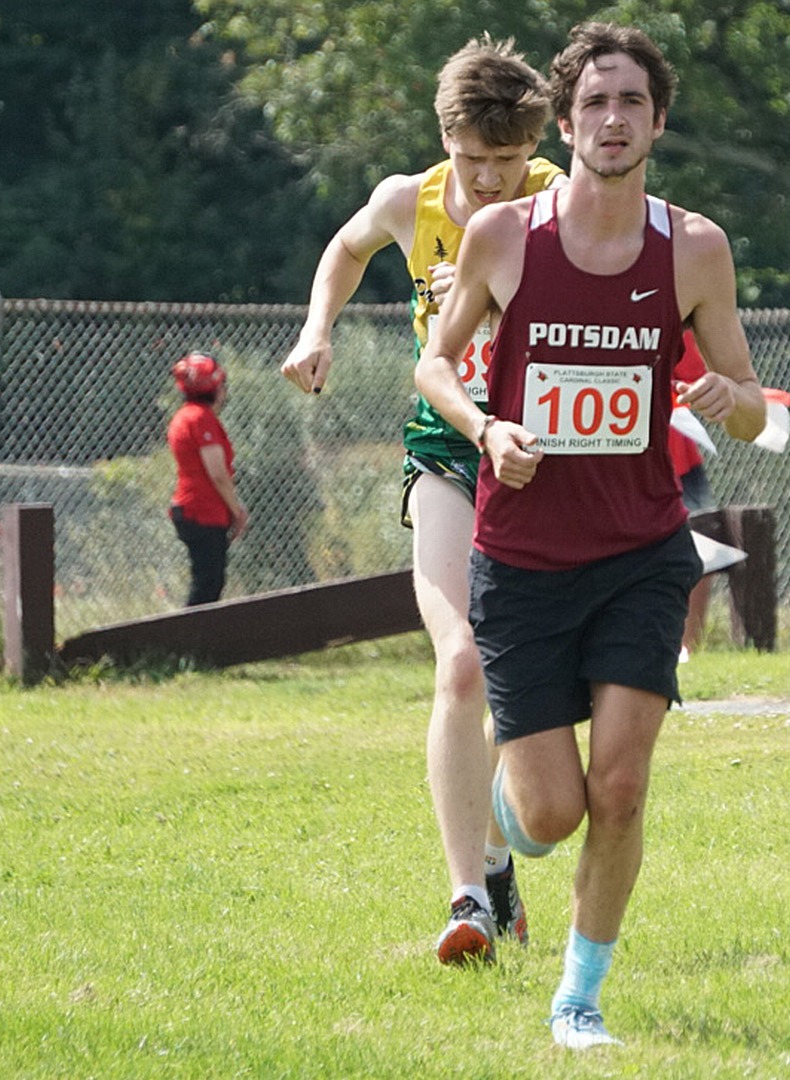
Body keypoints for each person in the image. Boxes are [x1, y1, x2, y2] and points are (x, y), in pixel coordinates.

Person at [413, 21, 767, 1050]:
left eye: (632, 102)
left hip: (641, 553)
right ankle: (501, 835)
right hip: (521, 559)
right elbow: (433, 365)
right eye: (595, 103)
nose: (614, 119)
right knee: (552, 812)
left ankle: (579, 999)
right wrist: (488, 429)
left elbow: (751, 403)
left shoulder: (694, 248)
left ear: (657, 122)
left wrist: (728, 397)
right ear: (564, 127)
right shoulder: (503, 236)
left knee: (620, 785)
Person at [278, 36, 562, 965]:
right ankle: (468, 896)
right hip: (446, 449)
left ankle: (501, 851)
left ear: (534, 149)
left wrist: (494, 292)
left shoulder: (562, 203)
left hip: (540, 458)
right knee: (462, 662)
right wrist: (317, 328)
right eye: (472, 158)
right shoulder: (412, 199)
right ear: (446, 141)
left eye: (506, 160)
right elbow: (346, 246)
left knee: (531, 681)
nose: (488, 178)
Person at [167, 352, 248, 606]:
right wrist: (237, 511)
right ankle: (187, 632)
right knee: (207, 586)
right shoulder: (201, 419)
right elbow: (217, 473)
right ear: (215, 388)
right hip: (202, 511)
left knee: (208, 583)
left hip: (193, 508)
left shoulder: (184, 416)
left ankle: (193, 631)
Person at [670, 331, 716, 660]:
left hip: (681, 463)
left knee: (702, 557)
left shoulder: (668, 315)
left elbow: (695, 378)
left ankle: (689, 649)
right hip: (620, 467)